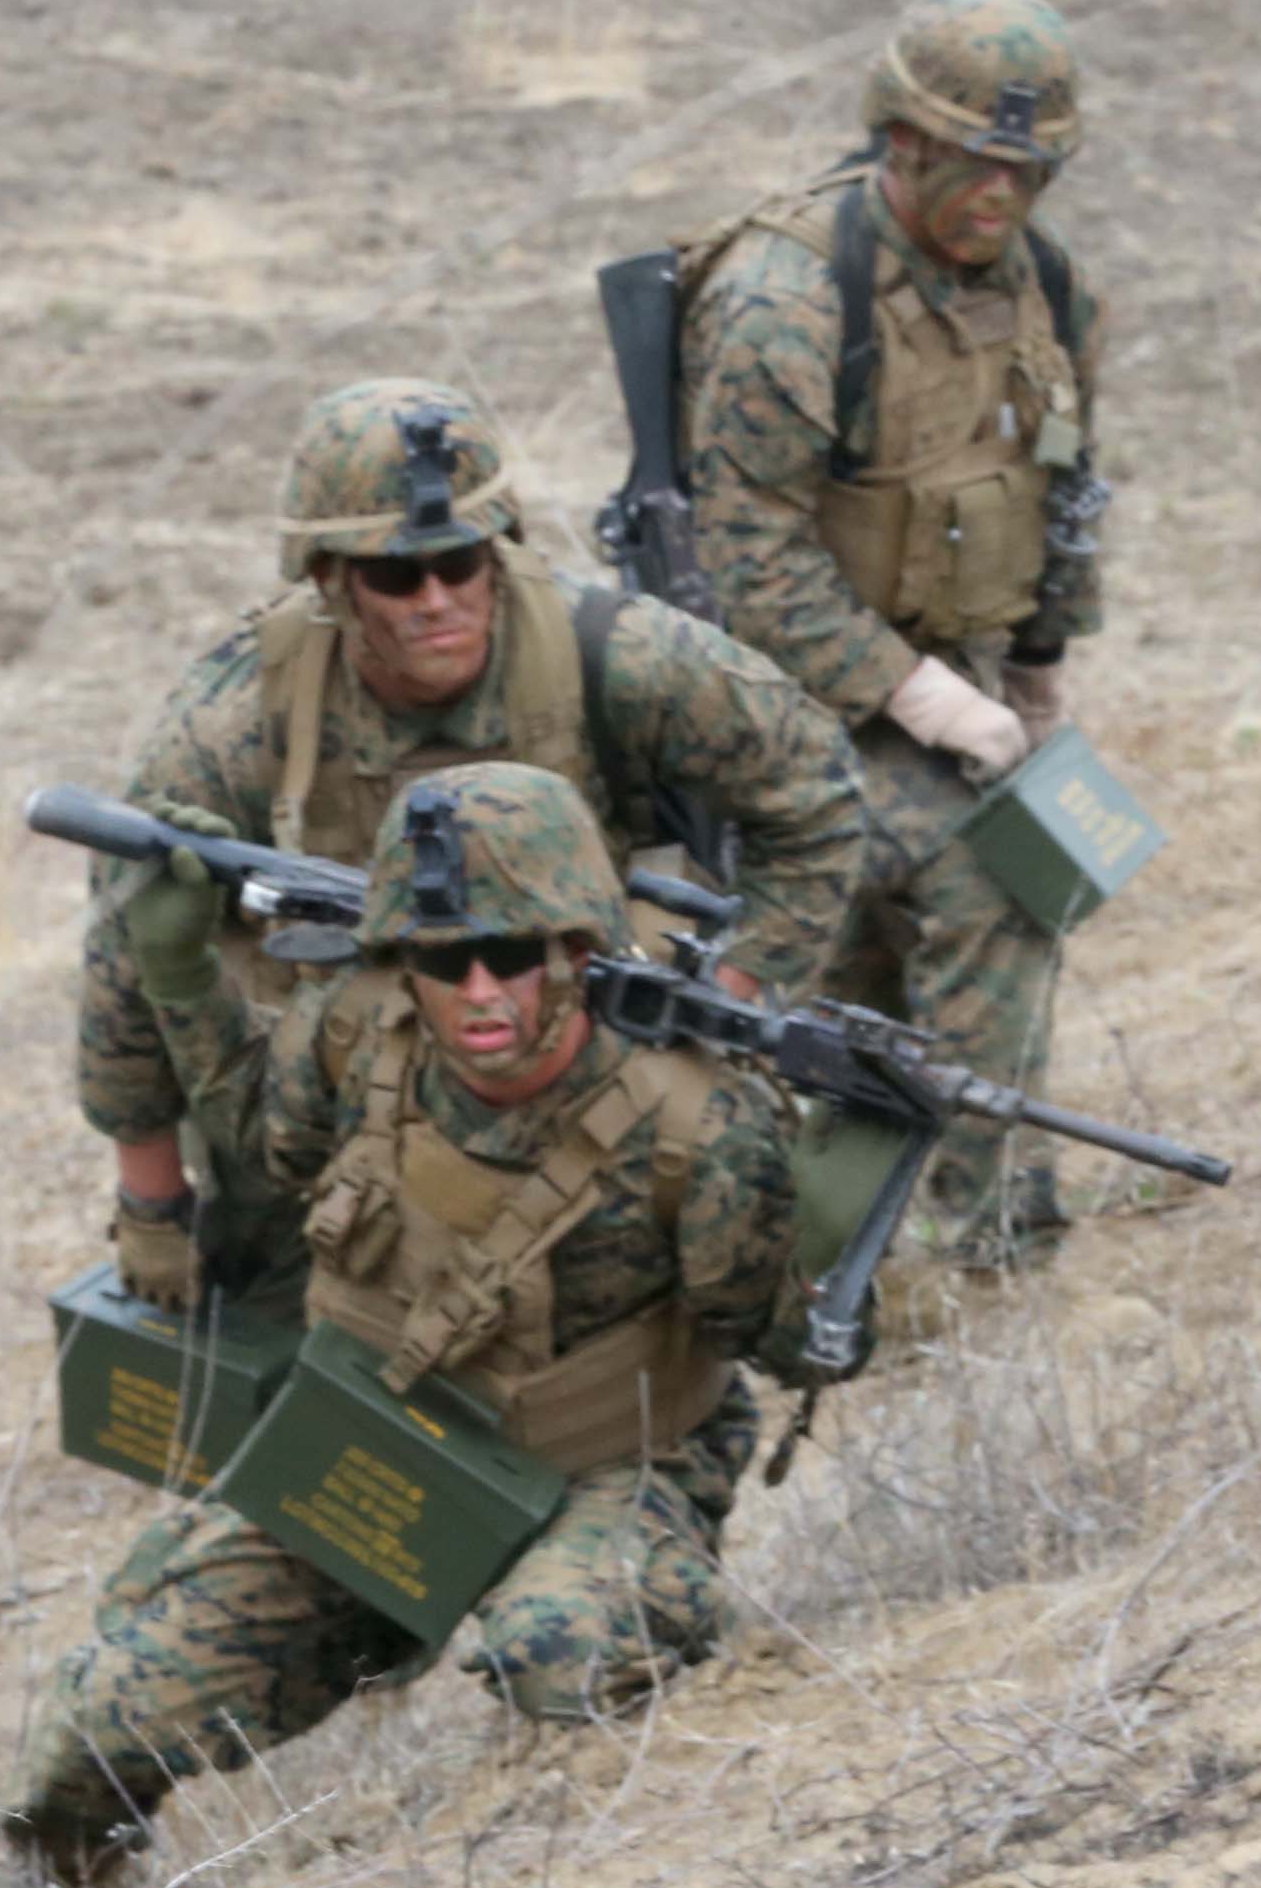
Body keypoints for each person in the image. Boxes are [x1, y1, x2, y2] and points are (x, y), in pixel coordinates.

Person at [13, 766, 822, 1888]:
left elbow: (779, 1338)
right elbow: (263, 1148)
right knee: (95, 1731)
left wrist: (827, 1194)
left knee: (564, 1656)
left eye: (515, 953)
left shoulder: (701, 1122)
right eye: (444, 959)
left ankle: (589, 1887)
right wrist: (182, 972)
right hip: (387, 1447)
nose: (479, 988)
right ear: (402, 962)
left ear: (578, 951)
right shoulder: (355, 1033)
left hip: (607, 1457)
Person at [78, 380, 861, 1310]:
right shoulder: (235, 722)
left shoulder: (619, 657)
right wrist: (152, 1204)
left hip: (570, 1069)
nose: (438, 600)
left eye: (461, 562)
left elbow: (815, 793)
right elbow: (132, 957)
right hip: (317, 1099)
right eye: (398, 576)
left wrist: (724, 989)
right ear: (329, 577)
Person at [674, 0, 1113, 1257]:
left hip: (951, 670)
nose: (1004, 197)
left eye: (1031, 170)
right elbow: (748, 568)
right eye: (978, 164)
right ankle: (984, 1242)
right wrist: (928, 700)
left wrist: (1037, 670)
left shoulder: (1053, 293)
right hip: (776, 689)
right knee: (988, 875)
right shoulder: (785, 301)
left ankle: (888, 1222)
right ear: (902, 141)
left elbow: (1068, 487)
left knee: (996, 872)